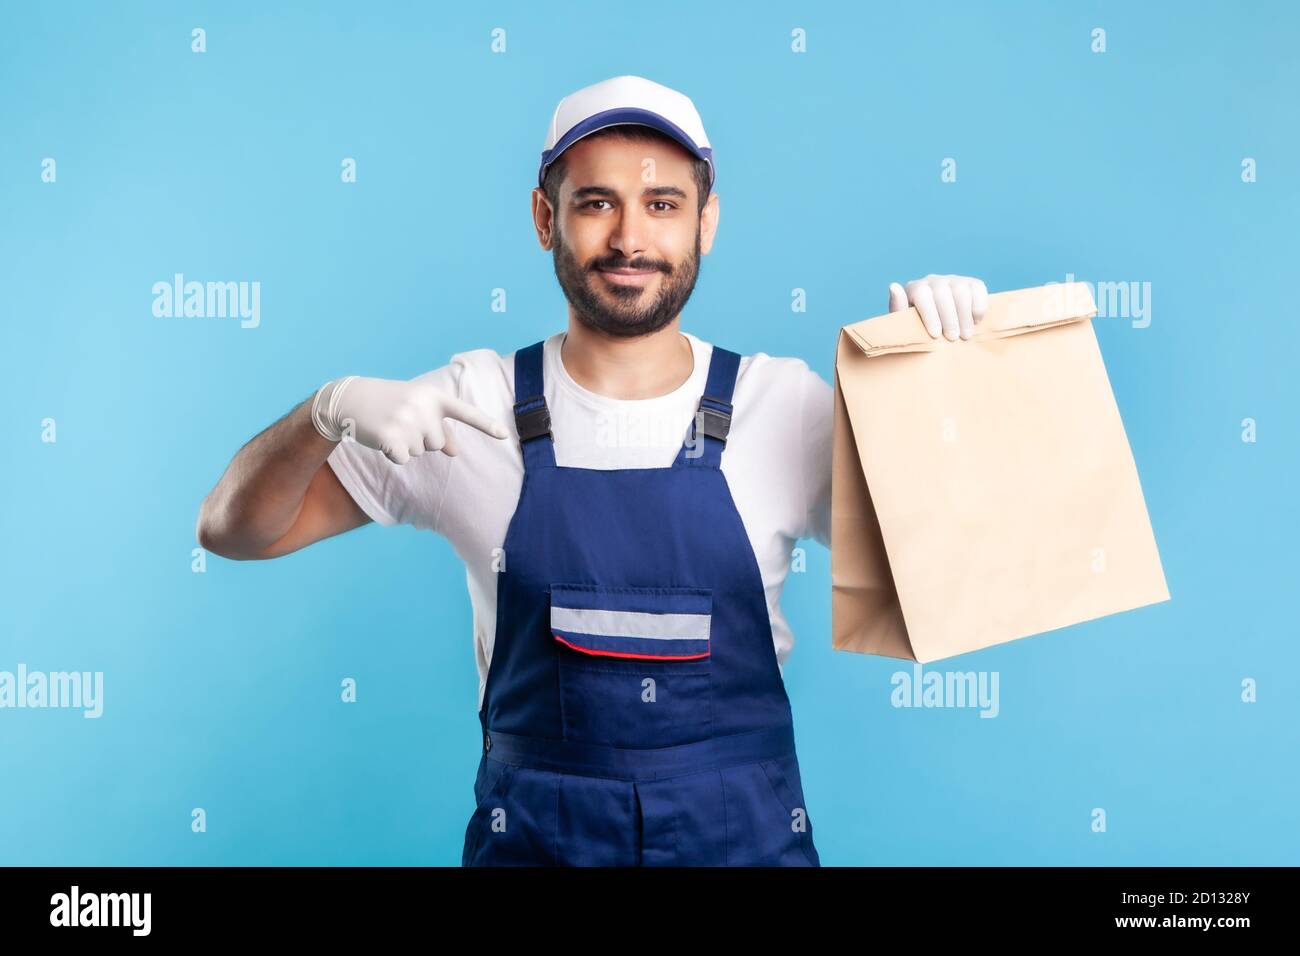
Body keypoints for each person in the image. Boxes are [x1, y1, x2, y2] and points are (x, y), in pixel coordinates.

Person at [195, 75, 989, 866]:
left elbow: (947, 583)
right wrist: (322, 412)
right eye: (597, 202)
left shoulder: (787, 407)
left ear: (707, 221)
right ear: (547, 219)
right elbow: (233, 531)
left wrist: (940, 384)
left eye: (664, 205)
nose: (631, 240)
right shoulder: (469, 406)